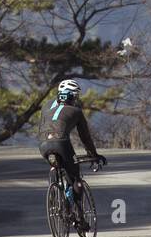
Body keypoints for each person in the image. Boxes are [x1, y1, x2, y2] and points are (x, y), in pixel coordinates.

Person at [38, 79, 106, 214]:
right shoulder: (76, 110)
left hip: (42, 144)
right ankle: (77, 211)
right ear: (73, 96)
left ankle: (56, 191)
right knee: (74, 176)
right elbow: (85, 137)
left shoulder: (46, 106)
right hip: (61, 143)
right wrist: (93, 155)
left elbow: (42, 127)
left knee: (57, 166)